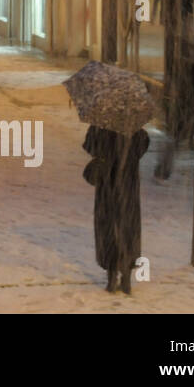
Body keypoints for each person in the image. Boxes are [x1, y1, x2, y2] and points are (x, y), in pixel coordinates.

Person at [82, 125, 150, 294]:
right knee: (128, 229)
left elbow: (89, 146)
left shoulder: (100, 128)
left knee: (108, 228)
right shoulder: (136, 131)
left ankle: (111, 276)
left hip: (107, 188)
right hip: (128, 188)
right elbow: (143, 147)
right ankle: (126, 276)